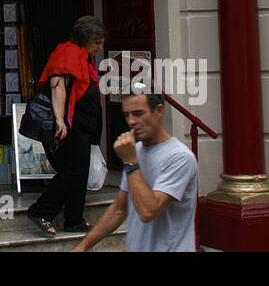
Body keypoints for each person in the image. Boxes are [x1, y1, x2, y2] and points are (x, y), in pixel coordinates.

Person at [71, 92, 198, 252]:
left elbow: (148, 211)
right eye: (126, 115)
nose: (131, 122)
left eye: (138, 114)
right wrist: (82, 247)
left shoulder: (180, 157)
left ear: (158, 111)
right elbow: (119, 209)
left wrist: (130, 161)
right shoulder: (135, 151)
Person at [26, 15, 106, 236]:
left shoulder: (83, 56)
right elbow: (57, 84)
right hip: (70, 126)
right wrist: (60, 120)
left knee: (80, 173)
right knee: (71, 172)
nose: (100, 48)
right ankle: (41, 211)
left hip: (83, 126)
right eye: (97, 43)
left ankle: (74, 220)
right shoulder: (68, 52)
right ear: (85, 38)